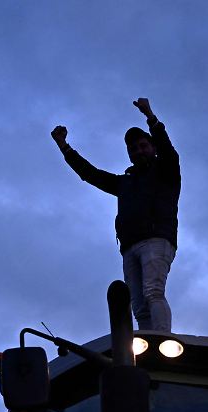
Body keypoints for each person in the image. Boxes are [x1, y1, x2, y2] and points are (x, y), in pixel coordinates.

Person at [52, 97, 181, 331]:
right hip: (129, 246)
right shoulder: (124, 183)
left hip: (156, 239)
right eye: (133, 148)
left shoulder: (167, 171)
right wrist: (64, 147)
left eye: (143, 145)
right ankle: (149, 344)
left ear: (152, 148)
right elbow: (91, 174)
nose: (138, 150)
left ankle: (162, 340)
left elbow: (166, 146)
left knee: (153, 291)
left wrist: (149, 115)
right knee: (139, 305)